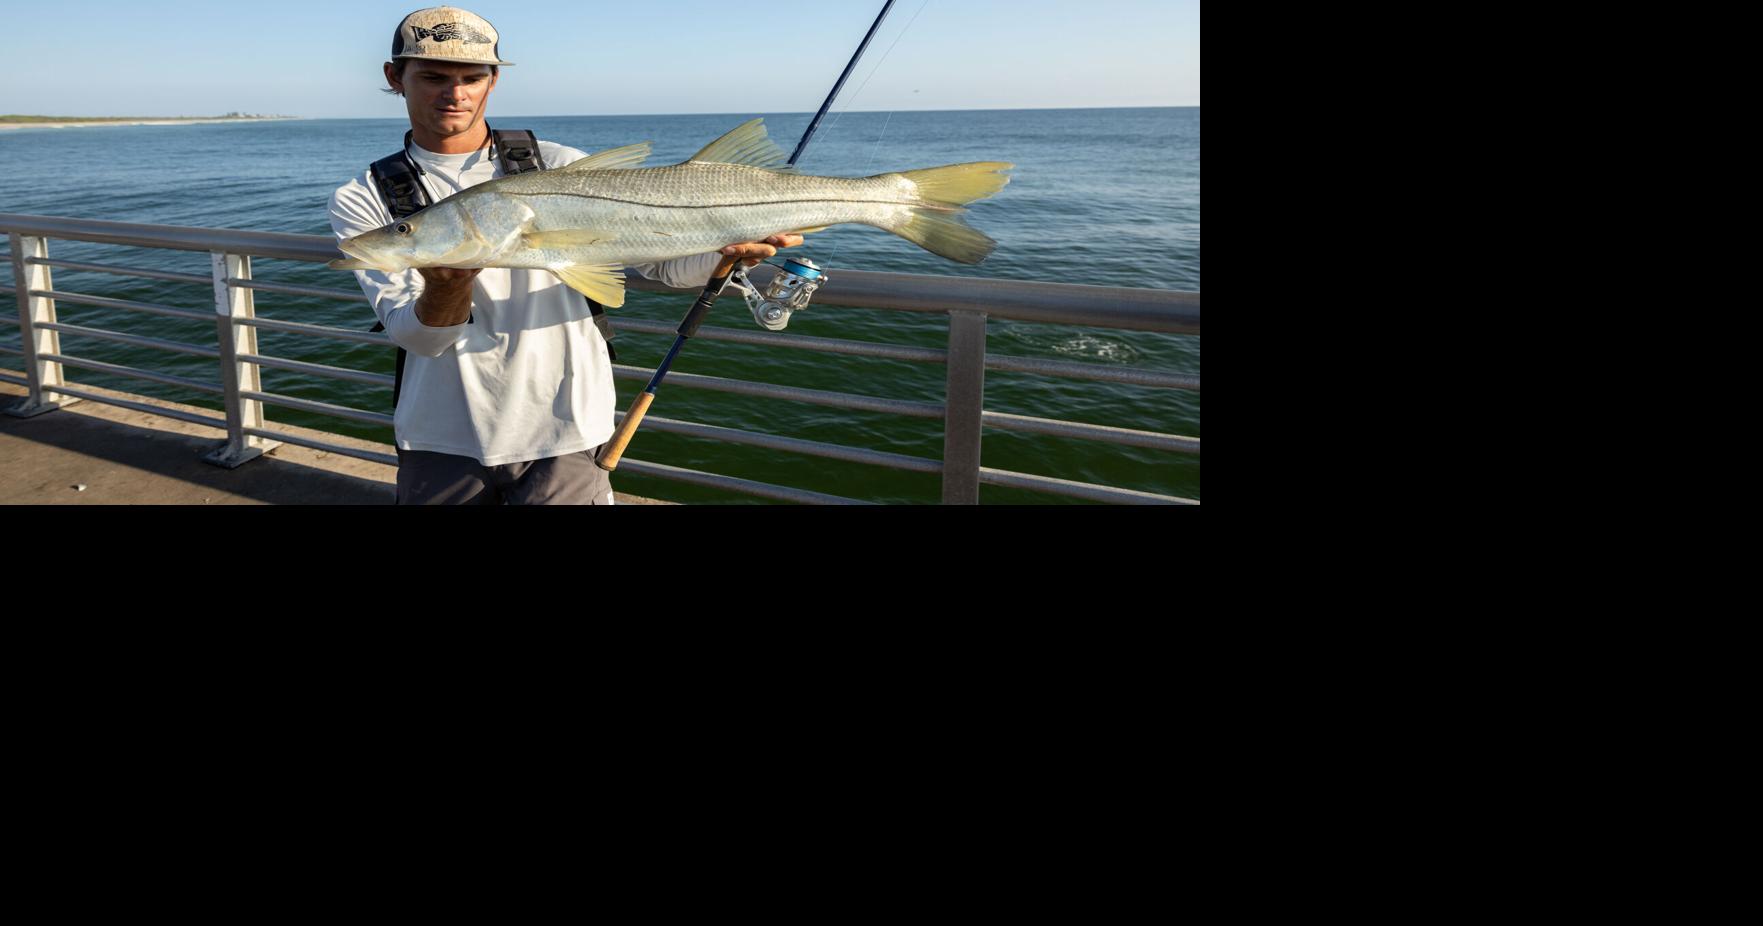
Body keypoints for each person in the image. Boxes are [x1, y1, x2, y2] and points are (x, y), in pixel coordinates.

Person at [328, 6, 799, 504]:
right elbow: (417, 338)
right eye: (433, 76)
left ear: (493, 81)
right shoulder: (364, 197)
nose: (455, 93)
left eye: (472, 76)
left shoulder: (557, 165)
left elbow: (663, 265)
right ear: (394, 77)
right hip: (440, 436)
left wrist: (731, 255)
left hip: (567, 428)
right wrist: (448, 283)